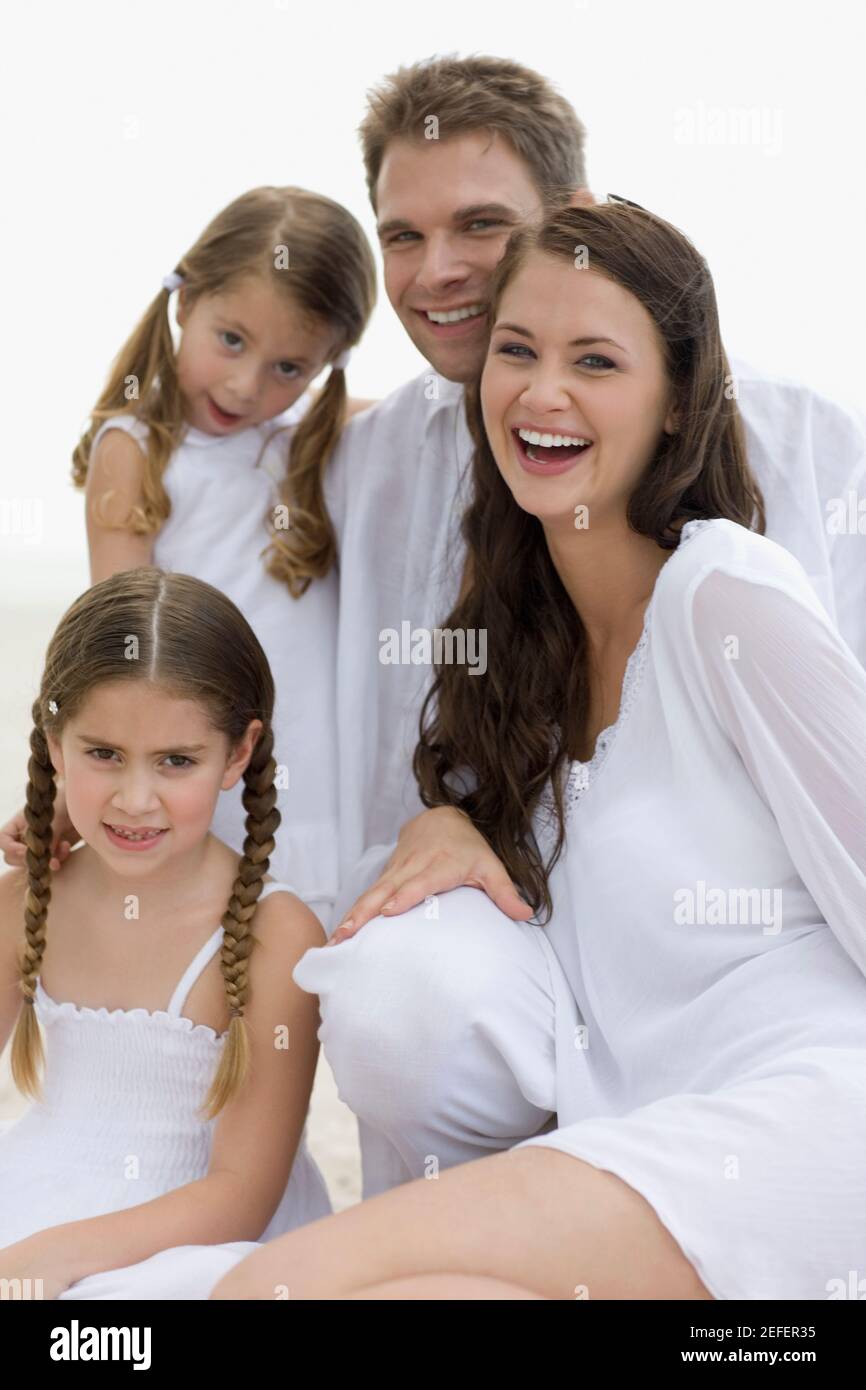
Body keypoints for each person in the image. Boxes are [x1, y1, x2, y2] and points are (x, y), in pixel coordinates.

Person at [213, 199, 866, 1301]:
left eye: (595, 361)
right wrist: (448, 821)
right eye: (515, 351)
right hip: (631, 1127)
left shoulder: (724, 592)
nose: (541, 391)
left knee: (271, 1291)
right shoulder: (518, 646)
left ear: (674, 404)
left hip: (794, 1123)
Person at [0, 185, 377, 928]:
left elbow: (450, 414)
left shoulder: (316, 442)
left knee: (303, 994)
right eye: (231, 340)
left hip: (318, 794)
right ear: (186, 301)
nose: (245, 385)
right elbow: (112, 643)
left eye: (289, 367)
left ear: (327, 364)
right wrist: (62, 796)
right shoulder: (136, 450)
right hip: (191, 784)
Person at [0, 569, 330, 1299]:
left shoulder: (276, 937)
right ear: (55, 741)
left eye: (176, 761)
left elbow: (242, 1195)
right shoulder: (26, 902)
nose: (135, 799)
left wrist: (47, 1259)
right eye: (104, 754)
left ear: (237, 755)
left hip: (197, 1244)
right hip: (39, 1191)